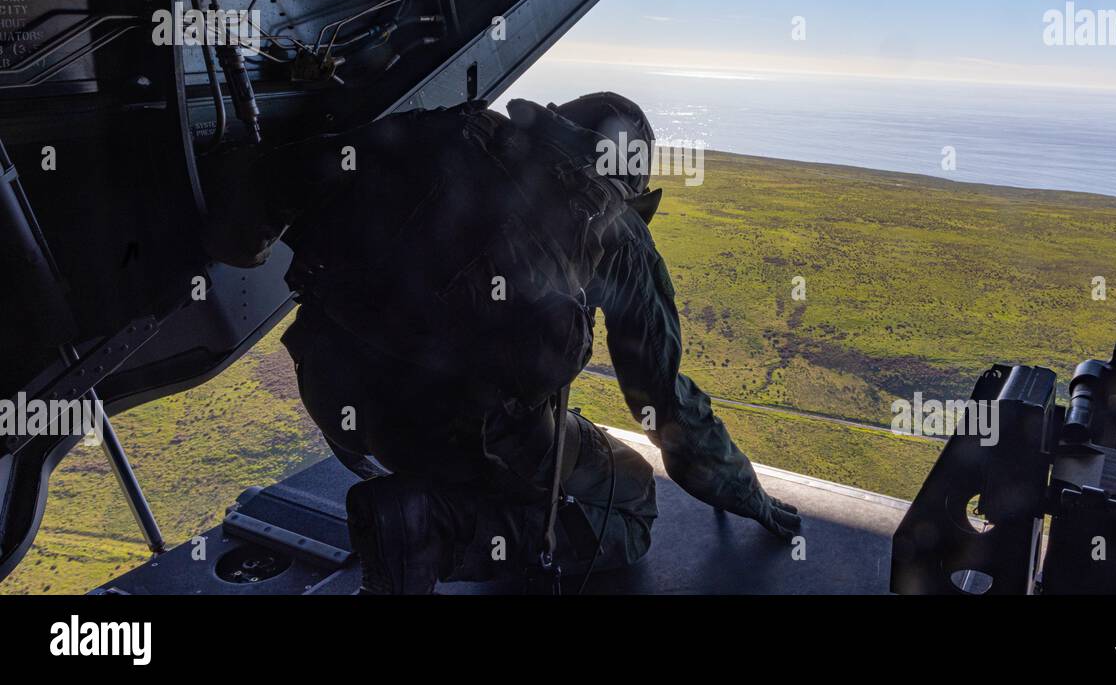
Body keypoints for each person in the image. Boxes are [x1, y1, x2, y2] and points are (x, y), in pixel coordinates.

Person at [202, 92, 800, 593]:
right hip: (458, 433)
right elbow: (662, 405)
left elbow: (264, 203)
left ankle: (429, 491)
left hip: (337, 390)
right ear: (628, 176)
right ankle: (431, 530)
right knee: (631, 493)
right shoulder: (614, 225)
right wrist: (743, 493)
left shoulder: (447, 128)